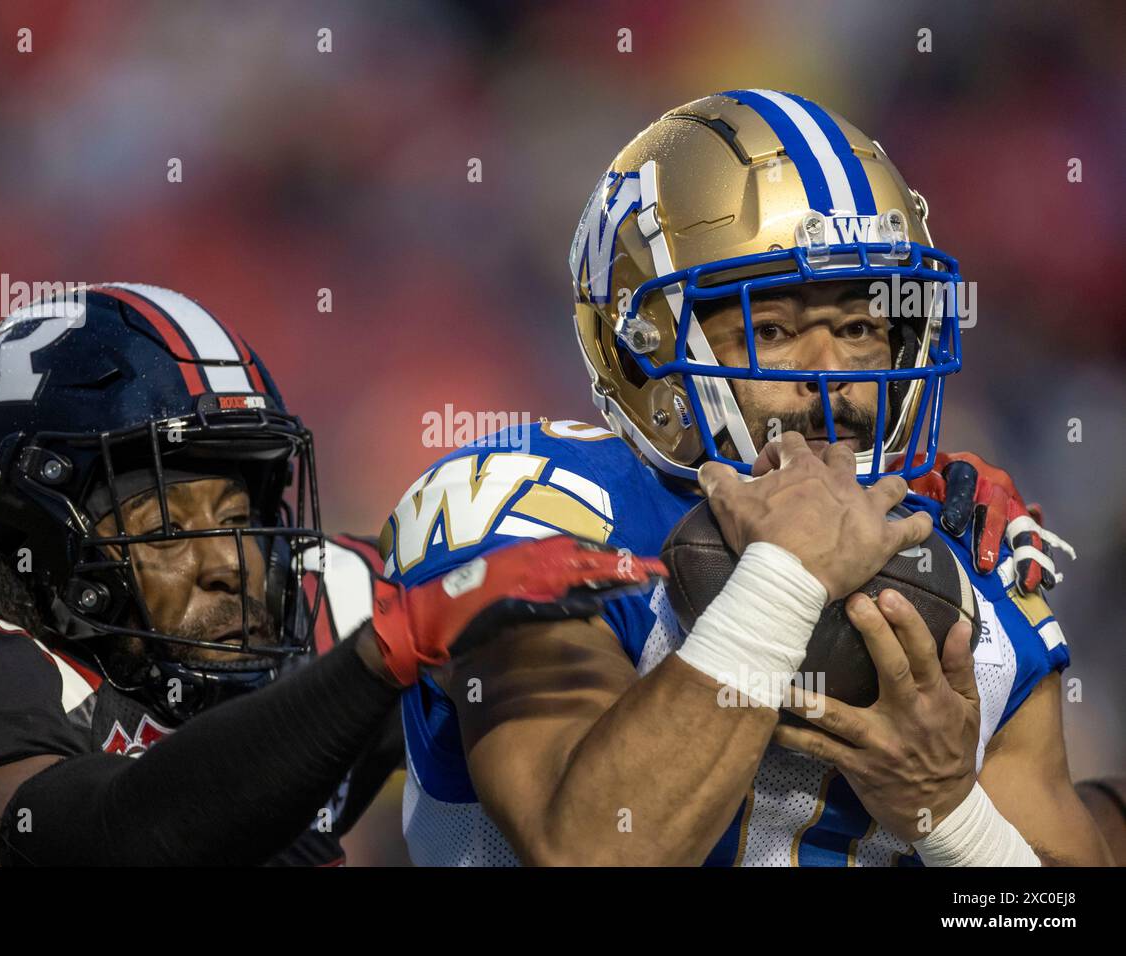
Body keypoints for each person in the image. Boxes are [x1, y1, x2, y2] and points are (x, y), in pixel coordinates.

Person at [381, 91, 1107, 866]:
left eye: (861, 328)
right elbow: (592, 850)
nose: (831, 378)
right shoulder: (545, 511)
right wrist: (785, 579)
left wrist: (956, 820)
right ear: (641, 349)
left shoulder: (967, 556)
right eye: (774, 330)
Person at [0, 283, 661, 866]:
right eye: (168, 528)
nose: (230, 564)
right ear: (32, 543)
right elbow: (118, 841)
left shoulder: (317, 605)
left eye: (240, 521)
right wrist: (389, 653)